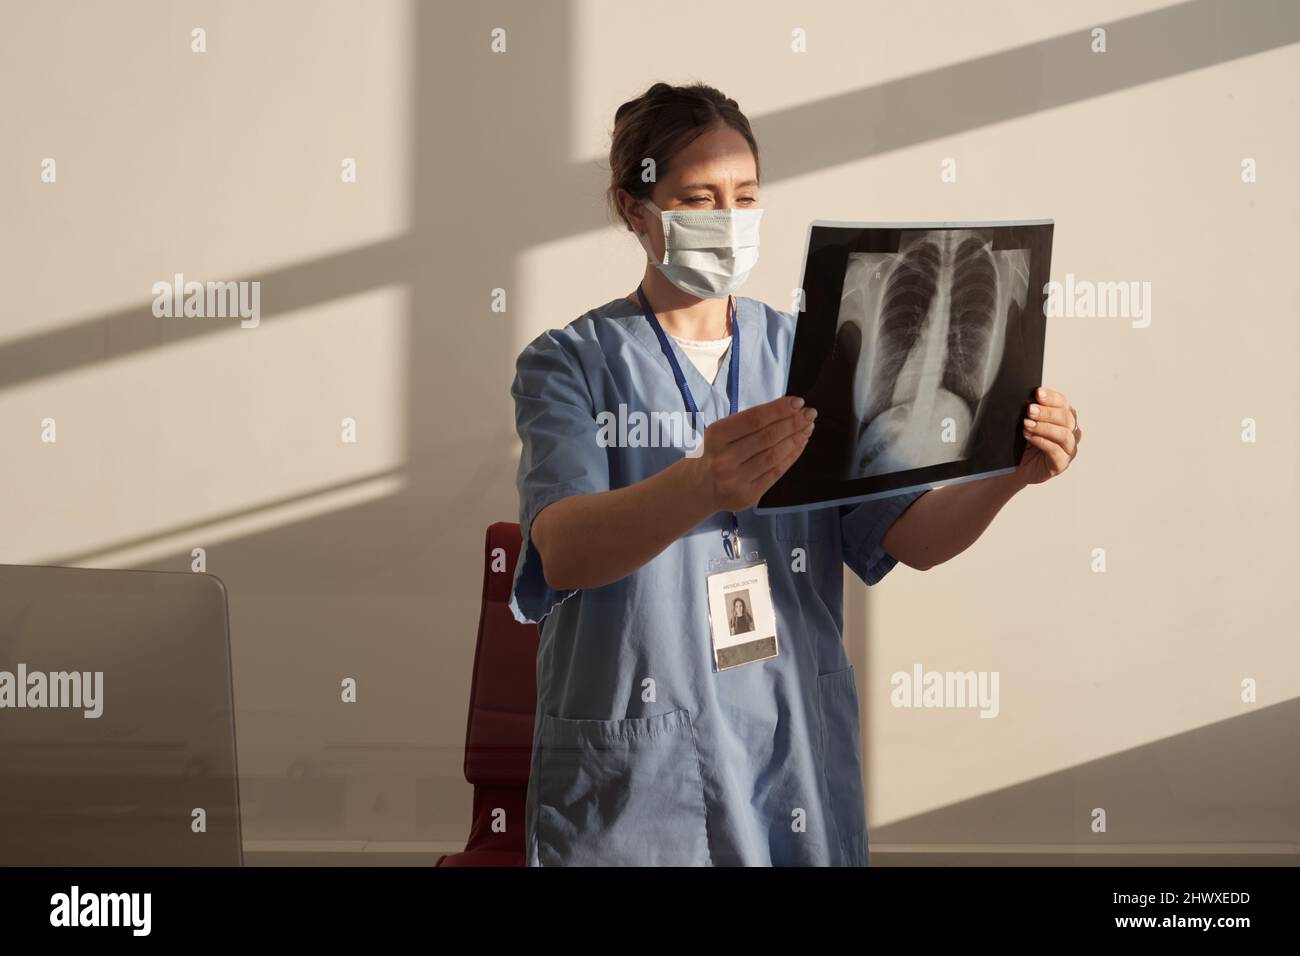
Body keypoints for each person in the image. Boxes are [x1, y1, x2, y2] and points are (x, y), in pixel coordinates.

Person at [509, 82, 1081, 866]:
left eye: (745, 196)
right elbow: (564, 550)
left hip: (787, 753)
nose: (729, 219)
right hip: (639, 772)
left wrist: (1009, 477)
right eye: (698, 198)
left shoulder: (811, 355)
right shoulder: (568, 364)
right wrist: (703, 485)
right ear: (633, 209)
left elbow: (907, 536)